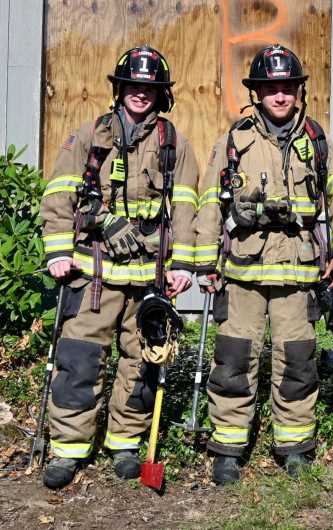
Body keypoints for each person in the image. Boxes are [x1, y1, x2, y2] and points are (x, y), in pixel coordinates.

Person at [40, 46, 199, 489]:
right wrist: (58, 252)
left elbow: (185, 207)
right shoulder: (89, 135)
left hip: (149, 273)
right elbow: (58, 196)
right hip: (94, 273)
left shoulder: (174, 143)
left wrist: (182, 263)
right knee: (79, 358)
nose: (140, 94)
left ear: (160, 94)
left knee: (142, 361)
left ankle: (125, 442)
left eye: (149, 88)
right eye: (133, 86)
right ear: (120, 89)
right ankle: (68, 449)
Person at [194, 44, 333, 483]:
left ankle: (294, 444)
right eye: (271, 89)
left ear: (297, 91)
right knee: (233, 359)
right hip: (242, 273)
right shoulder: (234, 139)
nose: (280, 96)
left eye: (287, 88)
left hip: (299, 276)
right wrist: (205, 264)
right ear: (257, 92)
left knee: (297, 361)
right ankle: (228, 445)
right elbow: (210, 203)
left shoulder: (317, 140)